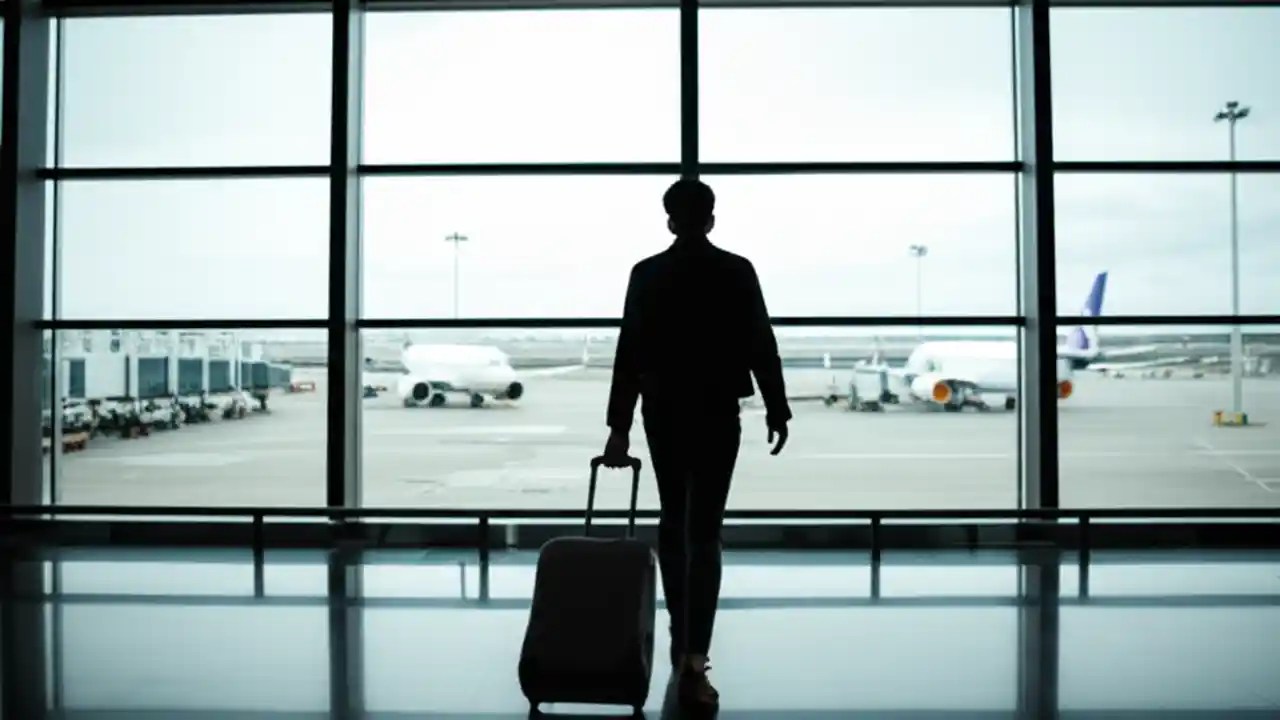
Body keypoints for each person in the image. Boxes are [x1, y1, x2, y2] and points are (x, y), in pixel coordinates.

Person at [601, 178, 791, 711]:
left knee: (673, 518)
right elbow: (761, 341)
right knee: (705, 529)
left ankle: (678, 625)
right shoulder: (736, 271)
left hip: (663, 410)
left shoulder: (646, 274)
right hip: (716, 411)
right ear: (710, 219)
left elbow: (629, 350)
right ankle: (695, 654)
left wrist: (619, 425)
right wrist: (777, 406)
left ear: (669, 220)